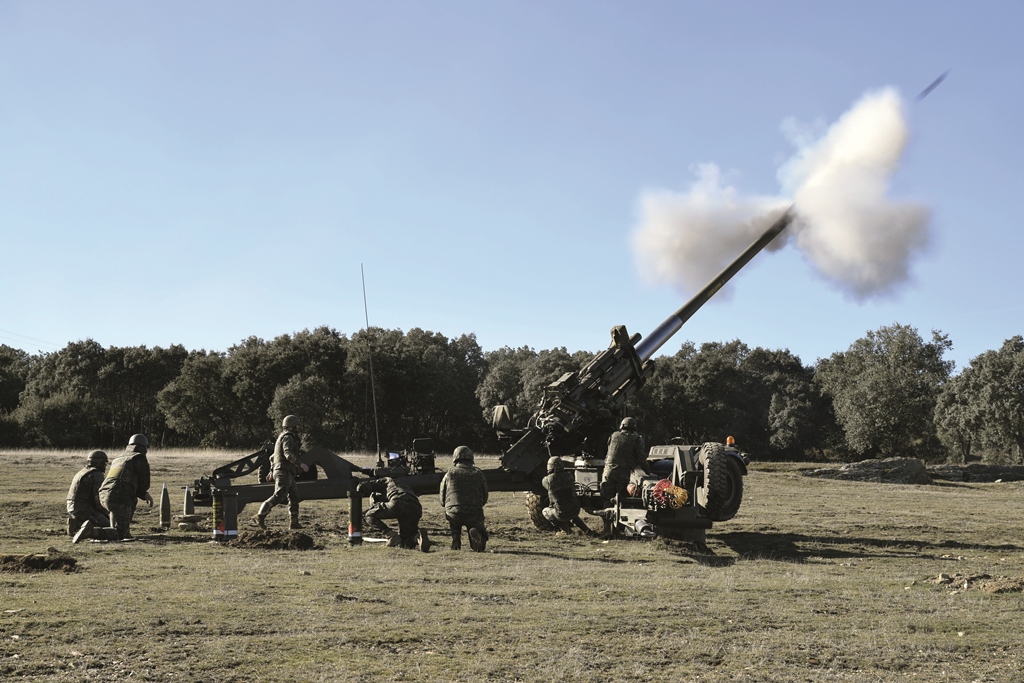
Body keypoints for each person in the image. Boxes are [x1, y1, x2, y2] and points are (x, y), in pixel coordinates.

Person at [73, 434, 153, 543]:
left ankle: (123, 531)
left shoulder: (119, 459)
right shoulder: (139, 458)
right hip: (120, 497)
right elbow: (144, 483)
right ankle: (90, 532)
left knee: (124, 506)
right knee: (120, 534)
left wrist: (142, 494)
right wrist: (143, 492)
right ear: (143, 447)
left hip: (104, 495)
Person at [253, 415, 309, 530]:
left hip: (286, 471)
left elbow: (273, 456)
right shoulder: (288, 437)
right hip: (284, 471)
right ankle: (260, 515)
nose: (298, 428)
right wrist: (300, 463)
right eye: (296, 425)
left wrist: (271, 470)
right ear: (291, 426)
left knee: (294, 497)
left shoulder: (281, 437)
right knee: (279, 495)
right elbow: (287, 454)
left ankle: (294, 523)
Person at [598, 417, 647, 537]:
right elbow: (641, 458)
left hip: (608, 472)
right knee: (621, 501)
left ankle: (607, 530)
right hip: (623, 473)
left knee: (607, 501)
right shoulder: (636, 439)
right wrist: (648, 471)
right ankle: (618, 530)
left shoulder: (614, 435)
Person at [357, 477, 430, 552]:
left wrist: (357, 491)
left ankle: (391, 536)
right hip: (416, 507)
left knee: (367, 515)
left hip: (398, 502)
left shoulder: (386, 481)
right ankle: (418, 537)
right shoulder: (402, 485)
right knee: (405, 542)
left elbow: (364, 486)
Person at [439, 446, 489, 551]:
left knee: (455, 525)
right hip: (474, 510)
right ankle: (476, 536)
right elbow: (485, 494)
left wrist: (446, 505)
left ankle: (456, 540)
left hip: (453, 510)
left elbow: (442, 494)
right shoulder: (478, 473)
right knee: (476, 524)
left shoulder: (450, 473)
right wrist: (479, 505)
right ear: (471, 458)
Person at [541, 456, 593, 536]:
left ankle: (566, 530)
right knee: (572, 513)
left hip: (561, 513)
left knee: (545, 511)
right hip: (575, 509)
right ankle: (587, 531)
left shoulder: (547, 480)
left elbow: (546, 485)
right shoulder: (569, 476)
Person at [66, 450, 110, 537]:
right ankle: (78, 526)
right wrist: (108, 512)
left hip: (72, 507)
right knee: (109, 526)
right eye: (103, 464)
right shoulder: (97, 475)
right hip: (84, 509)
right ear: (97, 463)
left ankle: (76, 523)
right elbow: (98, 501)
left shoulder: (82, 472)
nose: (105, 466)